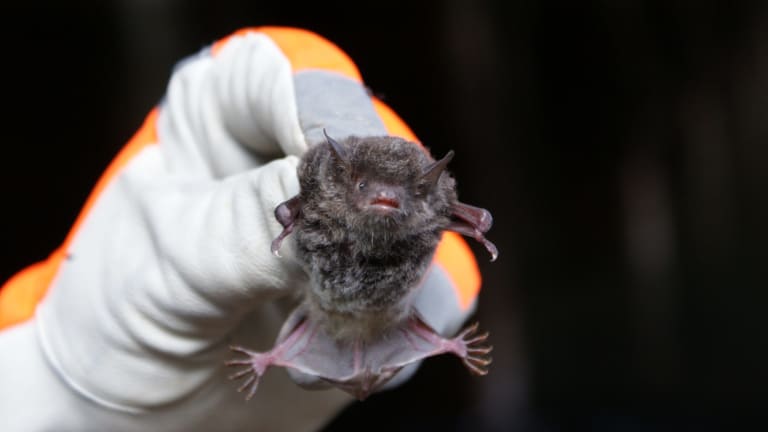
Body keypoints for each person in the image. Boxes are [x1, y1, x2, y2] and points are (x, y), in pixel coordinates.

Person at [0, 27, 482, 431]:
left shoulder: (433, 216)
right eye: (367, 186)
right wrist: (50, 375)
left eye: (405, 194)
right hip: (309, 307)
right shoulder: (308, 195)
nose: (385, 199)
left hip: (362, 323)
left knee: (438, 291)